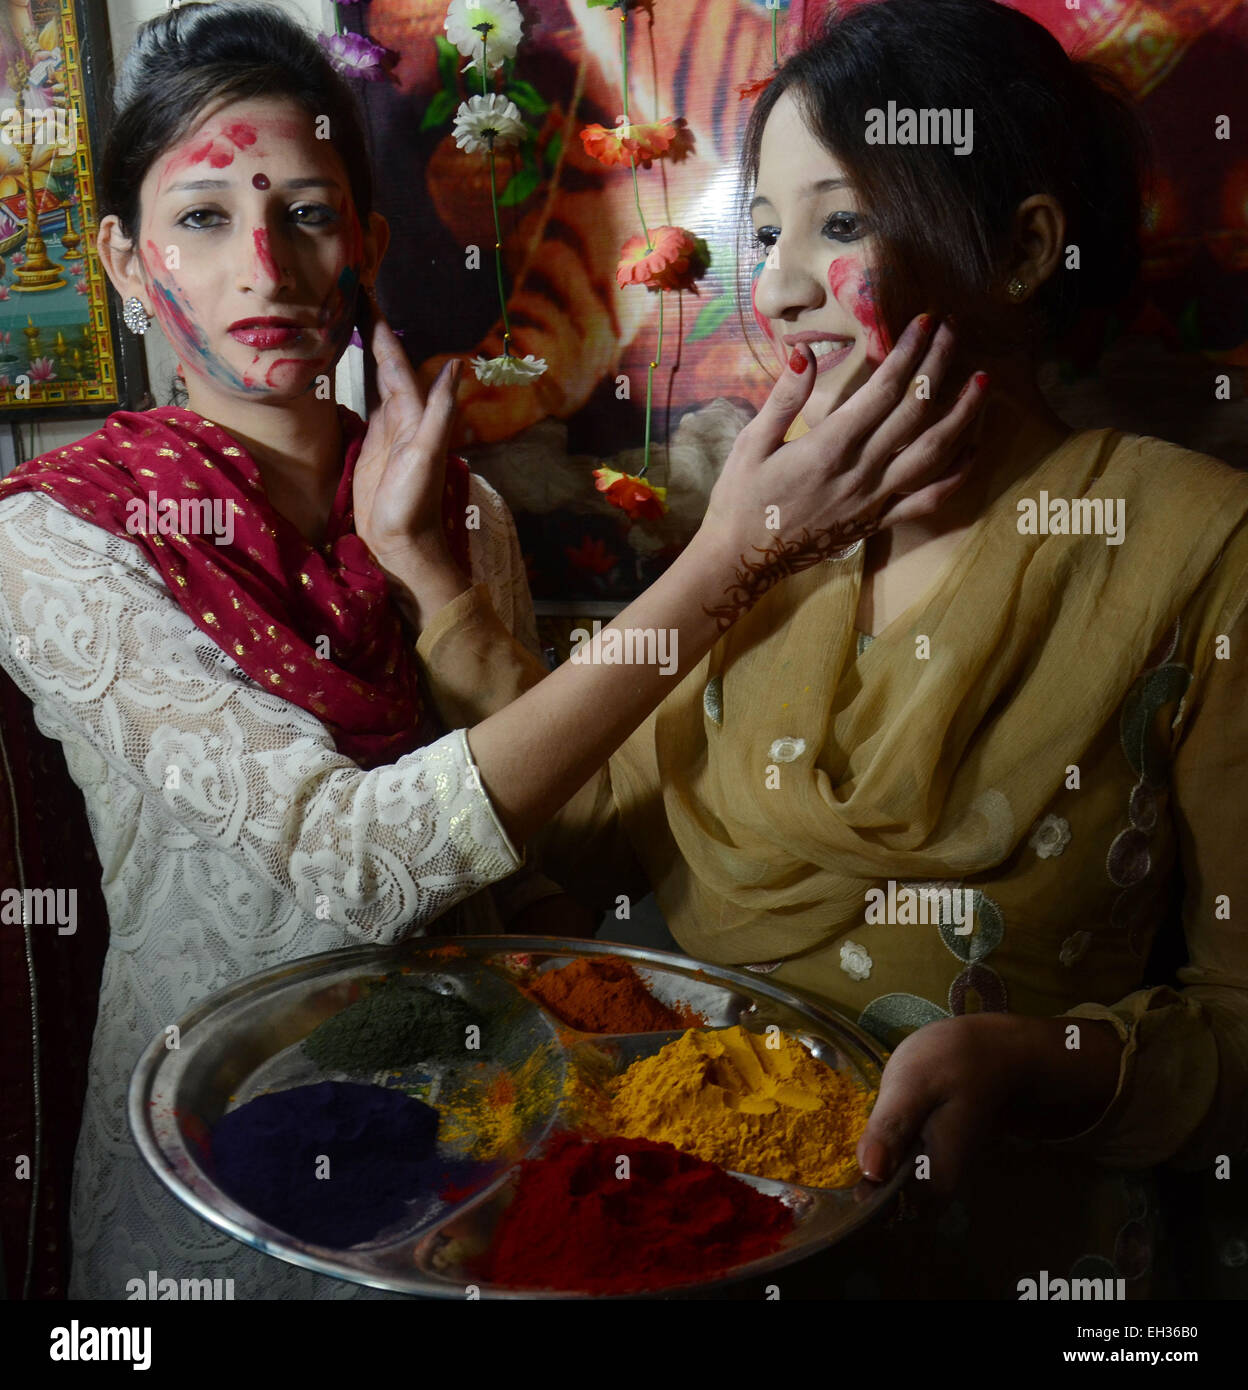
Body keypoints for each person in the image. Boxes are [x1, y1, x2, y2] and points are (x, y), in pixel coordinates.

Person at [0, 1, 981, 1299]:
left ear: (369, 241)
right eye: (203, 219)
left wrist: (605, 1045)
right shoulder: (57, 538)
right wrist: (728, 560)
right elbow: (354, 863)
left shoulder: (456, 507)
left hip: (481, 1173)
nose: (266, 268)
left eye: (305, 213)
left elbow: (522, 873)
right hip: (221, 1183)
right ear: (124, 262)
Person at [405, 0, 1248, 1298]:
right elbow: (565, 825)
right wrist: (445, 582)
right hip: (690, 1233)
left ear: (1023, 250)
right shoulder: (747, 522)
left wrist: (1038, 1063)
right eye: (766, 231)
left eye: (840, 224)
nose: (781, 285)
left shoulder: (1198, 545)